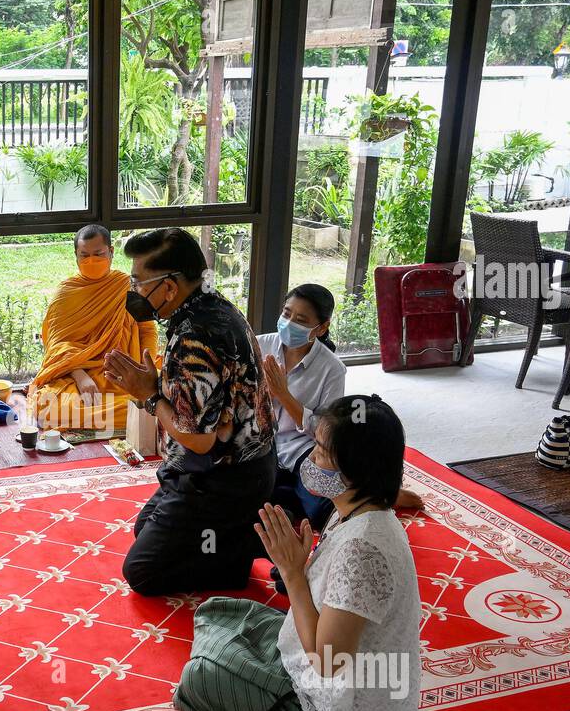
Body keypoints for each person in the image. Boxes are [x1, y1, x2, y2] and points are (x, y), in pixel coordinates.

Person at [174, 395, 422, 711]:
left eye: (320, 451)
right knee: (218, 611)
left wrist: (293, 573)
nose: (310, 459)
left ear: (352, 469)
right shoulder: (359, 511)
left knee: (198, 680)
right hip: (343, 666)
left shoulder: (365, 547)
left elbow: (328, 662)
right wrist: (301, 567)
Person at [103, 228, 275, 595]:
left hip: (225, 478)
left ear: (169, 286)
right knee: (144, 529)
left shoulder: (196, 334)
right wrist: (157, 388)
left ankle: (240, 549)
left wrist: (149, 397)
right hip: (228, 468)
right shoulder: (210, 305)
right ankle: (233, 534)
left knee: (143, 573)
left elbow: (198, 440)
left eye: (138, 281)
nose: (132, 290)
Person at [29, 225, 158, 432]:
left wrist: (145, 370)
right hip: (75, 374)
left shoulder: (127, 286)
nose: (92, 261)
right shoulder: (66, 292)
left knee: (157, 398)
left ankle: (142, 409)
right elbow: (56, 345)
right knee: (48, 409)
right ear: (76, 256)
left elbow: (147, 331)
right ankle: (141, 412)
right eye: (85, 255)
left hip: (122, 372)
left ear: (111, 252)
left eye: (98, 254)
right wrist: (81, 376)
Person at [256, 283, 346, 530]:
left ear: (322, 327)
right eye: (286, 314)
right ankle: (282, 495)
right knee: (235, 496)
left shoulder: (332, 369)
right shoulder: (258, 346)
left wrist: (283, 395)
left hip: (302, 449)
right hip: (257, 444)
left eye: (301, 319)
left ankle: (283, 494)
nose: (289, 323)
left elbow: (325, 430)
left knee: (320, 513)